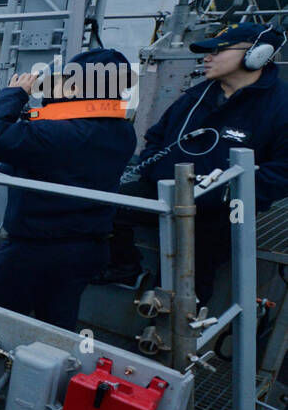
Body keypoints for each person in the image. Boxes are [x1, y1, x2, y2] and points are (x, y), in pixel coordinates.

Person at [101, 23, 288, 303]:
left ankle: (175, 335)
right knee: (104, 204)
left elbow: (283, 172)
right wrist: (154, 171)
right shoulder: (196, 96)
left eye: (218, 50)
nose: (207, 57)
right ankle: (124, 266)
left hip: (222, 208)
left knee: (190, 277)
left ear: (257, 54)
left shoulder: (280, 106)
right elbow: (157, 137)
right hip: (167, 191)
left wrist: (223, 192)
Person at [0, 48, 138, 329]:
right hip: (87, 248)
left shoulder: (58, 133)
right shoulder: (122, 131)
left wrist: (15, 94)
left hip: (34, 251)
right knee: (58, 325)